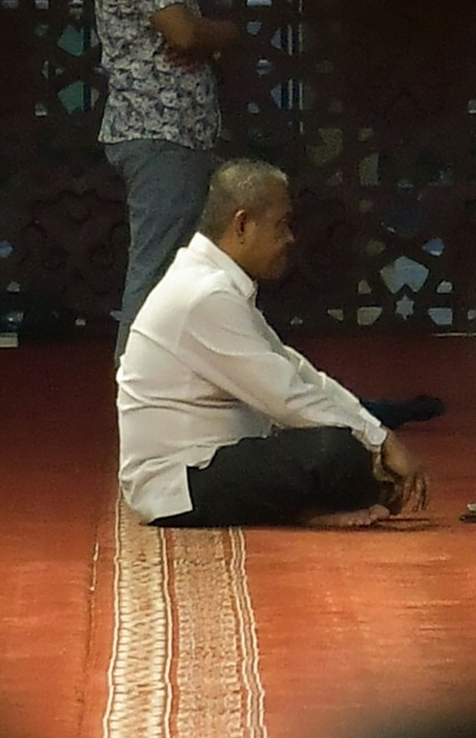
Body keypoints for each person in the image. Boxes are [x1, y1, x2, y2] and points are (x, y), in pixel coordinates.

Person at [118, 159, 428, 527]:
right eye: (280, 225)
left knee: (347, 448)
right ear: (243, 224)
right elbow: (286, 398)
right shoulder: (204, 294)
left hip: (212, 464)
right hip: (179, 482)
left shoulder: (214, 283)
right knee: (335, 451)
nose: (290, 238)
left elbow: (298, 371)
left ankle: (321, 503)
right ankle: (312, 510)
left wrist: (375, 431)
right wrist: (379, 443)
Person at [88, 0, 232, 338]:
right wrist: (223, 33)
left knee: (175, 276)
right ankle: (137, 394)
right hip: (159, 129)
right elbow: (183, 33)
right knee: (156, 277)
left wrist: (199, 37)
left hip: (172, 130)